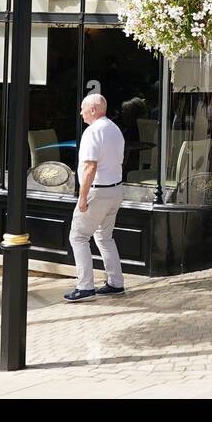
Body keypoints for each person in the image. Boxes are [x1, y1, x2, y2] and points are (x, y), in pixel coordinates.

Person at [65, 93, 127, 301]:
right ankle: (115, 282)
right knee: (104, 236)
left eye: (83, 108)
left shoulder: (93, 132)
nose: (80, 112)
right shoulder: (115, 129)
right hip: (115, 190)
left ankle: (85, 287)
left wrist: (82, 197)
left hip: (97, 191)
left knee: (79, 236)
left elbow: (90, 166)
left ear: (93, 110)